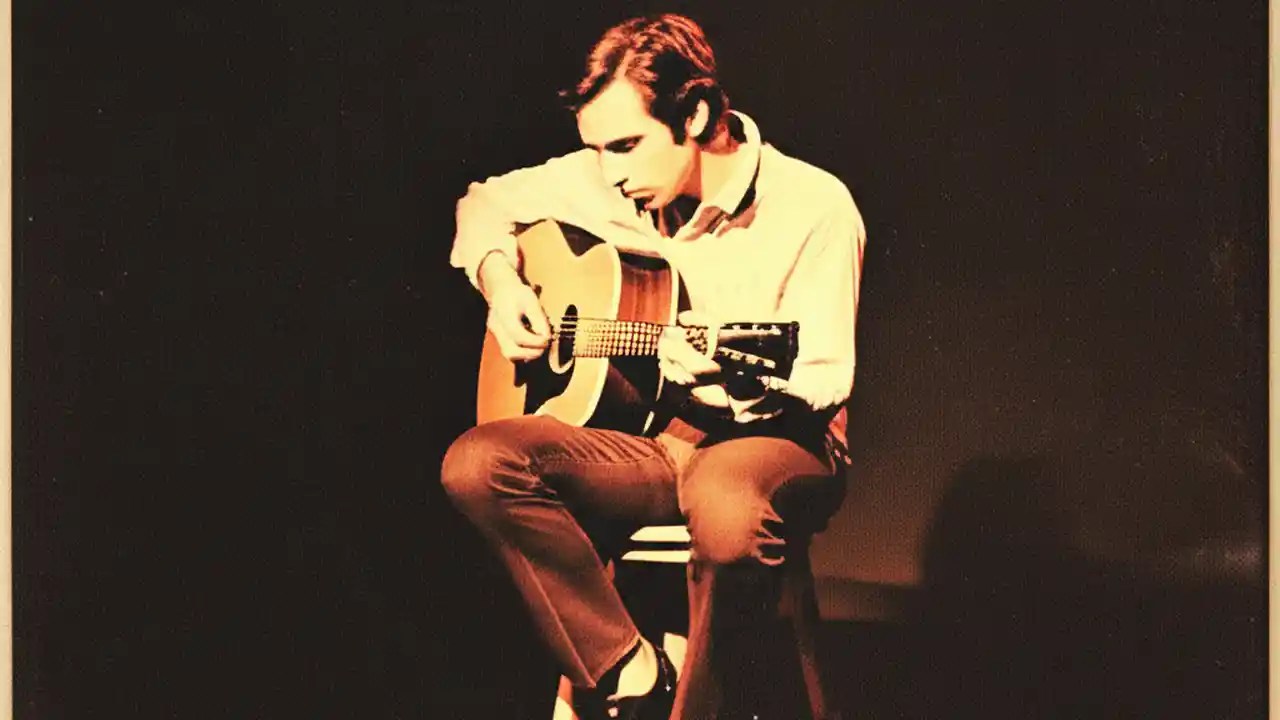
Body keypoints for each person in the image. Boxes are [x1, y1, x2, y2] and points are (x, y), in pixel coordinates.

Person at [441, 13, 866, 720]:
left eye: (627, 146)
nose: (611, 172)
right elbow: (482, 203)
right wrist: (503, 284)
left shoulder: (813, 205)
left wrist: (729, 380)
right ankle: (631, 673)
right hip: (655, 444)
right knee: (478, 463)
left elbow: (825, 374)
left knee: (728, 512)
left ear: (696, 113)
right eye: (597, 150)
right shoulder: (609, 178)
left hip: (779, 438)